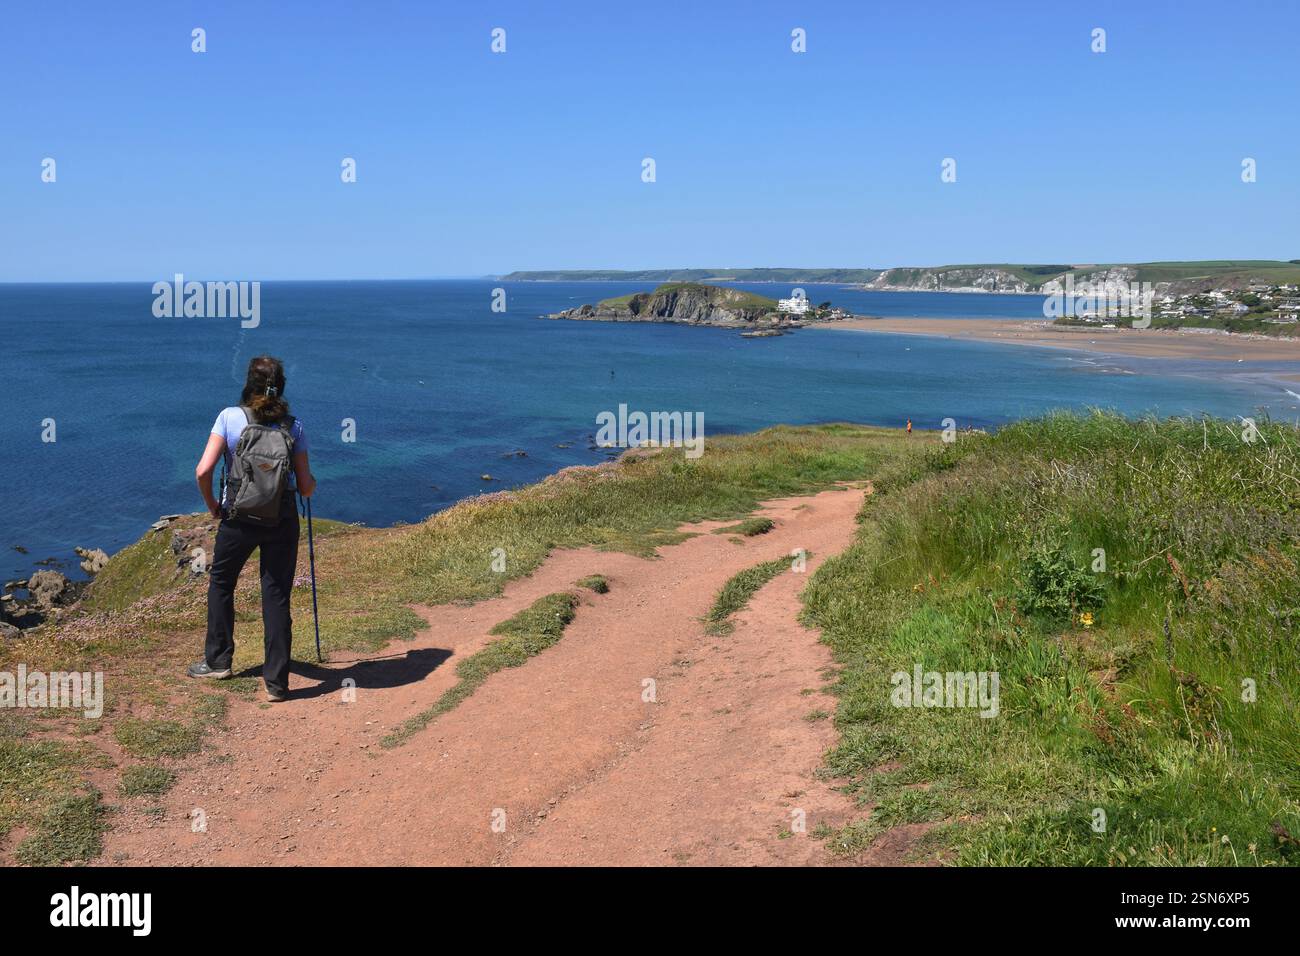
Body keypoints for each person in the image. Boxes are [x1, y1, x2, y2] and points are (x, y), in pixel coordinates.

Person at [189, 356, 316, 702]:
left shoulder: (229, 418)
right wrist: (309, 484)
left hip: (239, 518)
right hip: (281, 520)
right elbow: (305, 487)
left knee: (222, 582)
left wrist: (213, 505)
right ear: (281, 385)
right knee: (275, 595)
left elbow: (203, 471)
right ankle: (276, 684)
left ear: (248, 383)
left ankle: (218, 661)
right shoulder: (294, 426)